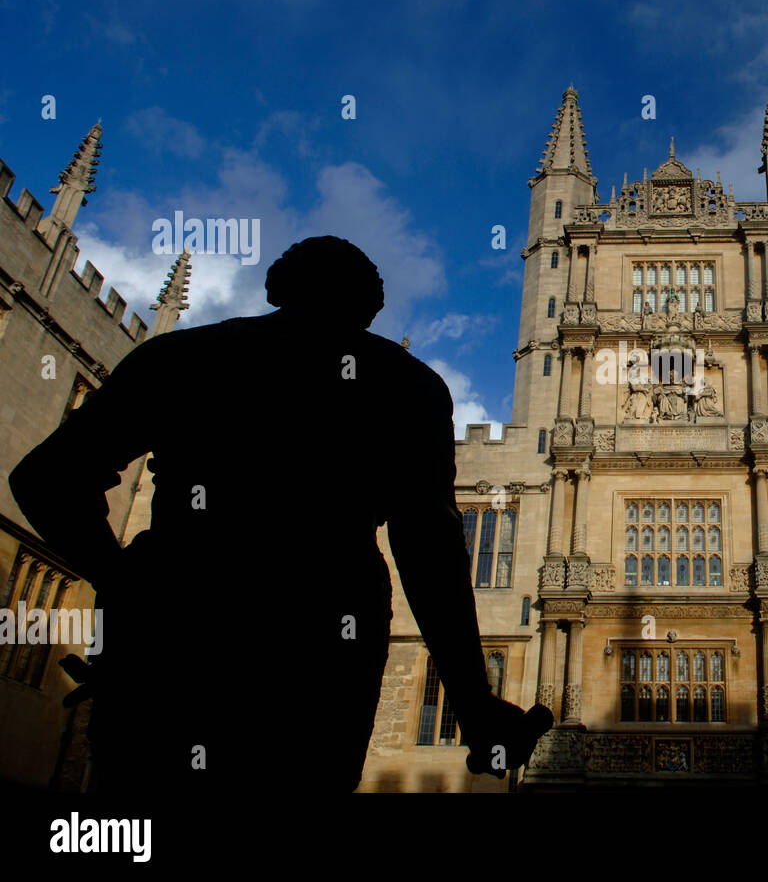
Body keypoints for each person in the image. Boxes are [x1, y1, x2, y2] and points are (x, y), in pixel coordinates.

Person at [9, 236, 548, 792]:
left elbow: (45, 479)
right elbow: (429, 551)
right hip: (319, 645)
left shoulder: (180, 357)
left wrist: (124, 584)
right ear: (374, 303)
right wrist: (474, 704)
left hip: (177, 629)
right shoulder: (407, 388)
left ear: (276, 286)